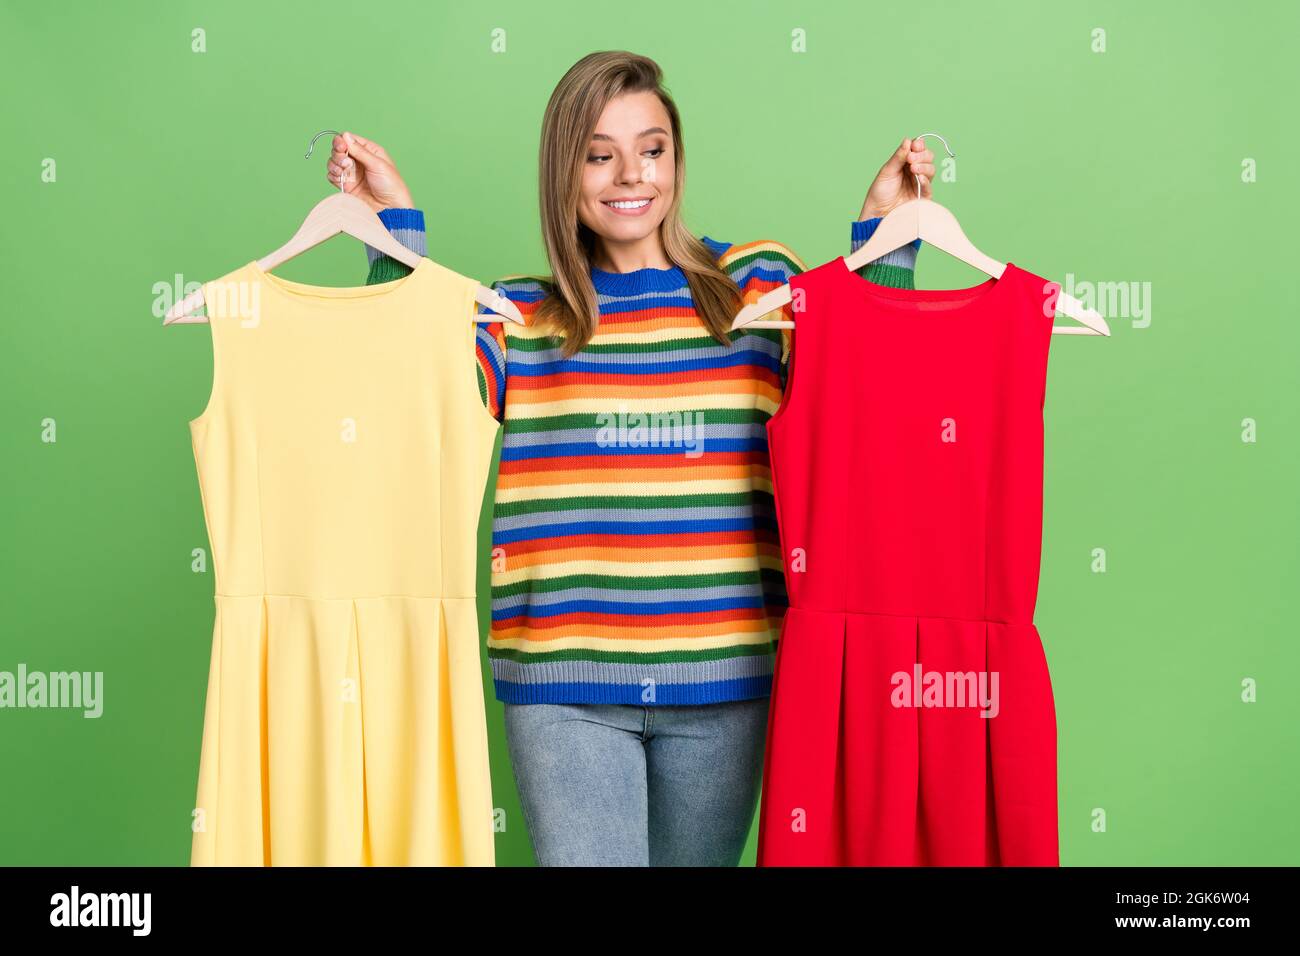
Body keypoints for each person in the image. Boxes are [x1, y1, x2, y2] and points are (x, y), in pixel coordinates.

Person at [325, 50, 930, 866]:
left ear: (677, 161)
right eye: (598, 154)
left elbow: (868, 397)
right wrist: (390, 233)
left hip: (729, 677)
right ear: (564, 171)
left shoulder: (757, 291)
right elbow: (394, 397)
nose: (629, 175)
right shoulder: (517, 315)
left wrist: (888, 241)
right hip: (565, 688)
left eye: (651, 148)